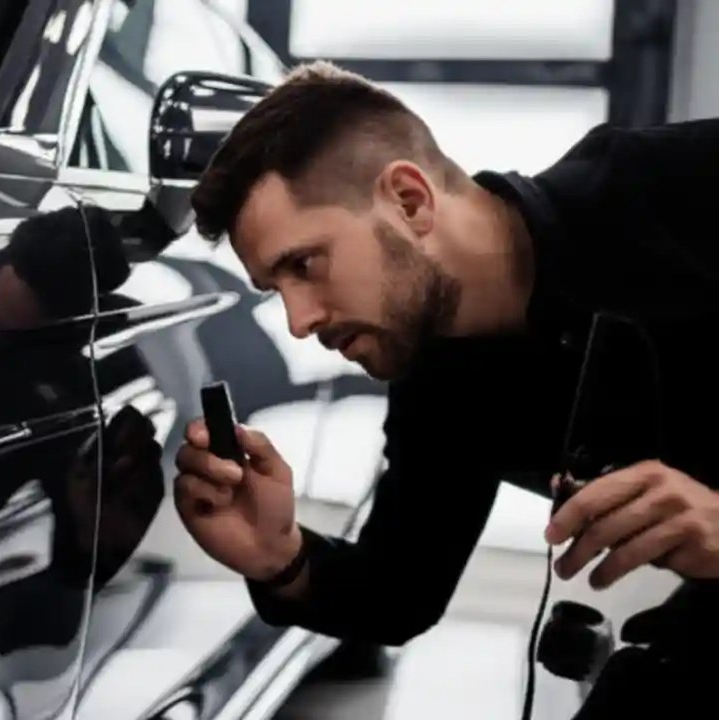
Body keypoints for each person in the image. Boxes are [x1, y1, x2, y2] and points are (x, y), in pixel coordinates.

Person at [172, 60, 719, 714]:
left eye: (305, 264)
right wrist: (280, 556)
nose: (298, 321)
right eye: (275, 288)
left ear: (409, 200)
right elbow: (398, 595)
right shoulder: (437, 377)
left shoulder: (681, 184)